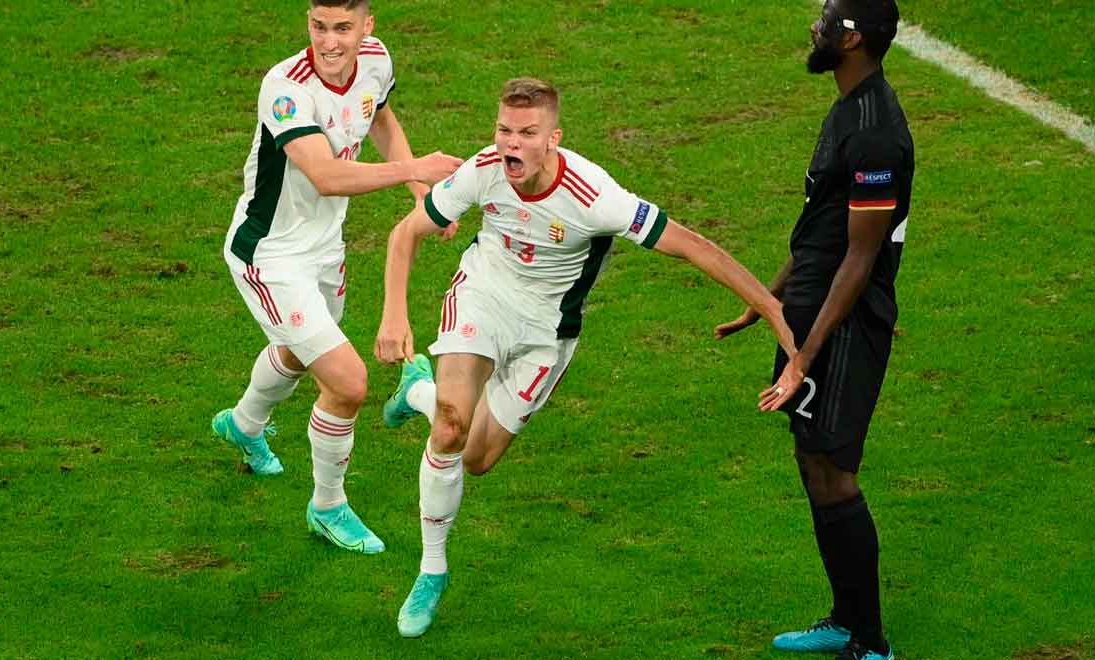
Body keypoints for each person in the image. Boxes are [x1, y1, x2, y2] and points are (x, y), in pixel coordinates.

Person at [374, 77, 801, 638]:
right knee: (451, 428)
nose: (511, 144)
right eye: (504, 130)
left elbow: (693, 246)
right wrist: (394, 314)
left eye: (527, 134)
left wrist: (771, 309)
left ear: (553, 139)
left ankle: (417, 390)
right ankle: (432, 570)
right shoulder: (482, 170)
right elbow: (406, 233)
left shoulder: (595, 197)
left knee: (476, 458)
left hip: (546, 333)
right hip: (483, 297)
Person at [209, 0, 461, 555]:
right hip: (270, 256)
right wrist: (415, 169)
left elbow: (380, 119)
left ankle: (244, 425)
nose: (329, 42)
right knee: (347, 382)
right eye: (319, 26)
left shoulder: (376, 60)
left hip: (324, 249)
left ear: (367, 26)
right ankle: (327, 506)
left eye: (343, 28)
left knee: (302, 353)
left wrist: (420, 192)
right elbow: (324, 175)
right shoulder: (285, 88)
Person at [715, 1, 911, 659]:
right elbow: (822, 230)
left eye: (827, 17)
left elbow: (860, 257)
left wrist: (806, 354)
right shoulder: (847, 108)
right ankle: (845, 618)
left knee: (835, 469)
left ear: (850, 39)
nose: (815, 25)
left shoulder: (876, 133)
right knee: (811, 457)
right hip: (809, 308)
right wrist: (767, 300)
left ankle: (871, 642)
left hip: (845, 323)